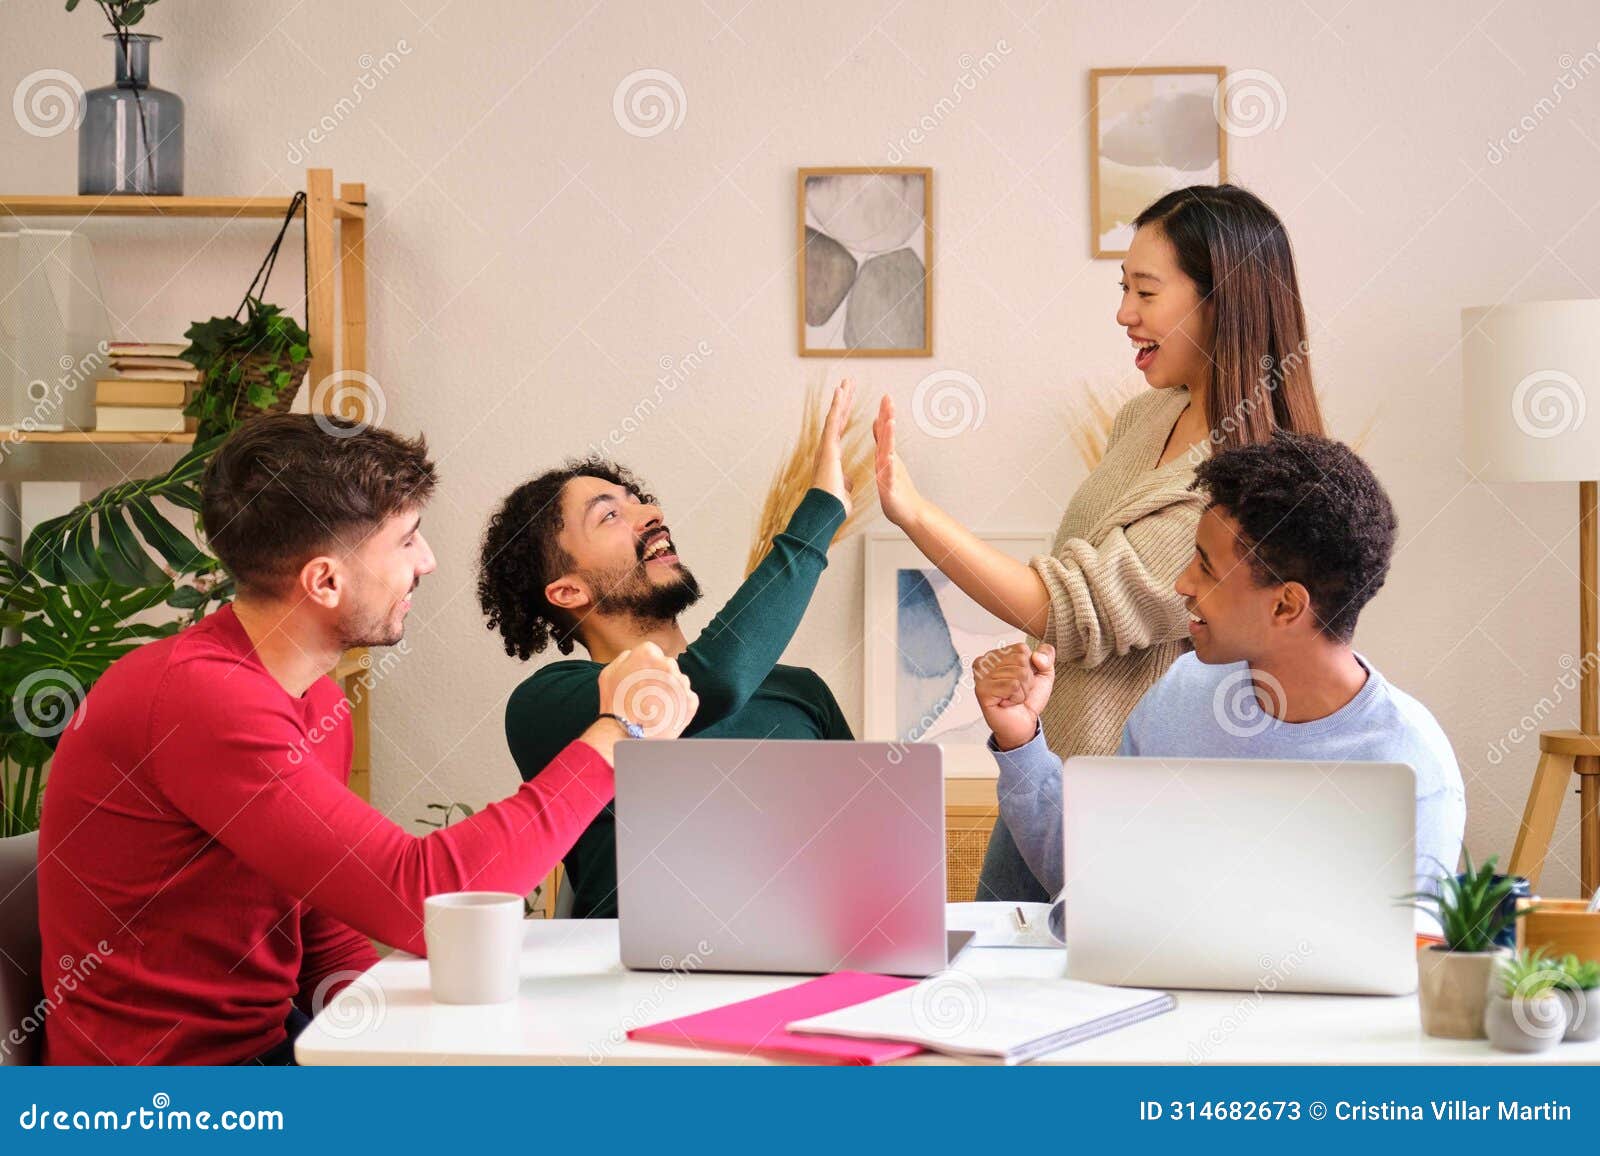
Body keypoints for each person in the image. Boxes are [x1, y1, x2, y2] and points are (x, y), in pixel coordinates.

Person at [35, 415, 697, 1065]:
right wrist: (618, 733)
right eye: (407, 540)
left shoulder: (315, 699)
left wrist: (390, 1059)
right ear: (326, 581)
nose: (429, 562)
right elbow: (422, 898)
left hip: (275, 1048)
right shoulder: (198, 700)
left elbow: (331, 929)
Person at [872, 183, 1329, 901]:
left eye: (1146, 292)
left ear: (1222, 301)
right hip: (1045, 773)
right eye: (1124, 288)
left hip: (1133, 818)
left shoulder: (1249, 486)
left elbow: (1068, 606)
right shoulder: (1145, 419)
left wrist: (913, 512)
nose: (1124, 314)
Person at [975, 431, 1465, 899]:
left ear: (1285, 606)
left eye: (1206, 568)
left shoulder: (1409, 765)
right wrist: (1021, 740)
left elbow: (1418, 964)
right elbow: (1095, 878)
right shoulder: (1181, 695)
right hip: (1162, 987)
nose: (1182, 584)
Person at [477, 381, 857, 919]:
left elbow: (865, 854)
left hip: (807, 981)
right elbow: (708, 685)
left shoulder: (800, 692)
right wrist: (821, 511)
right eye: (609, 515)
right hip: (631, 993)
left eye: (639, 501)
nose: (651, 512)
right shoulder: (551, 705)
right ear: (569, 592)